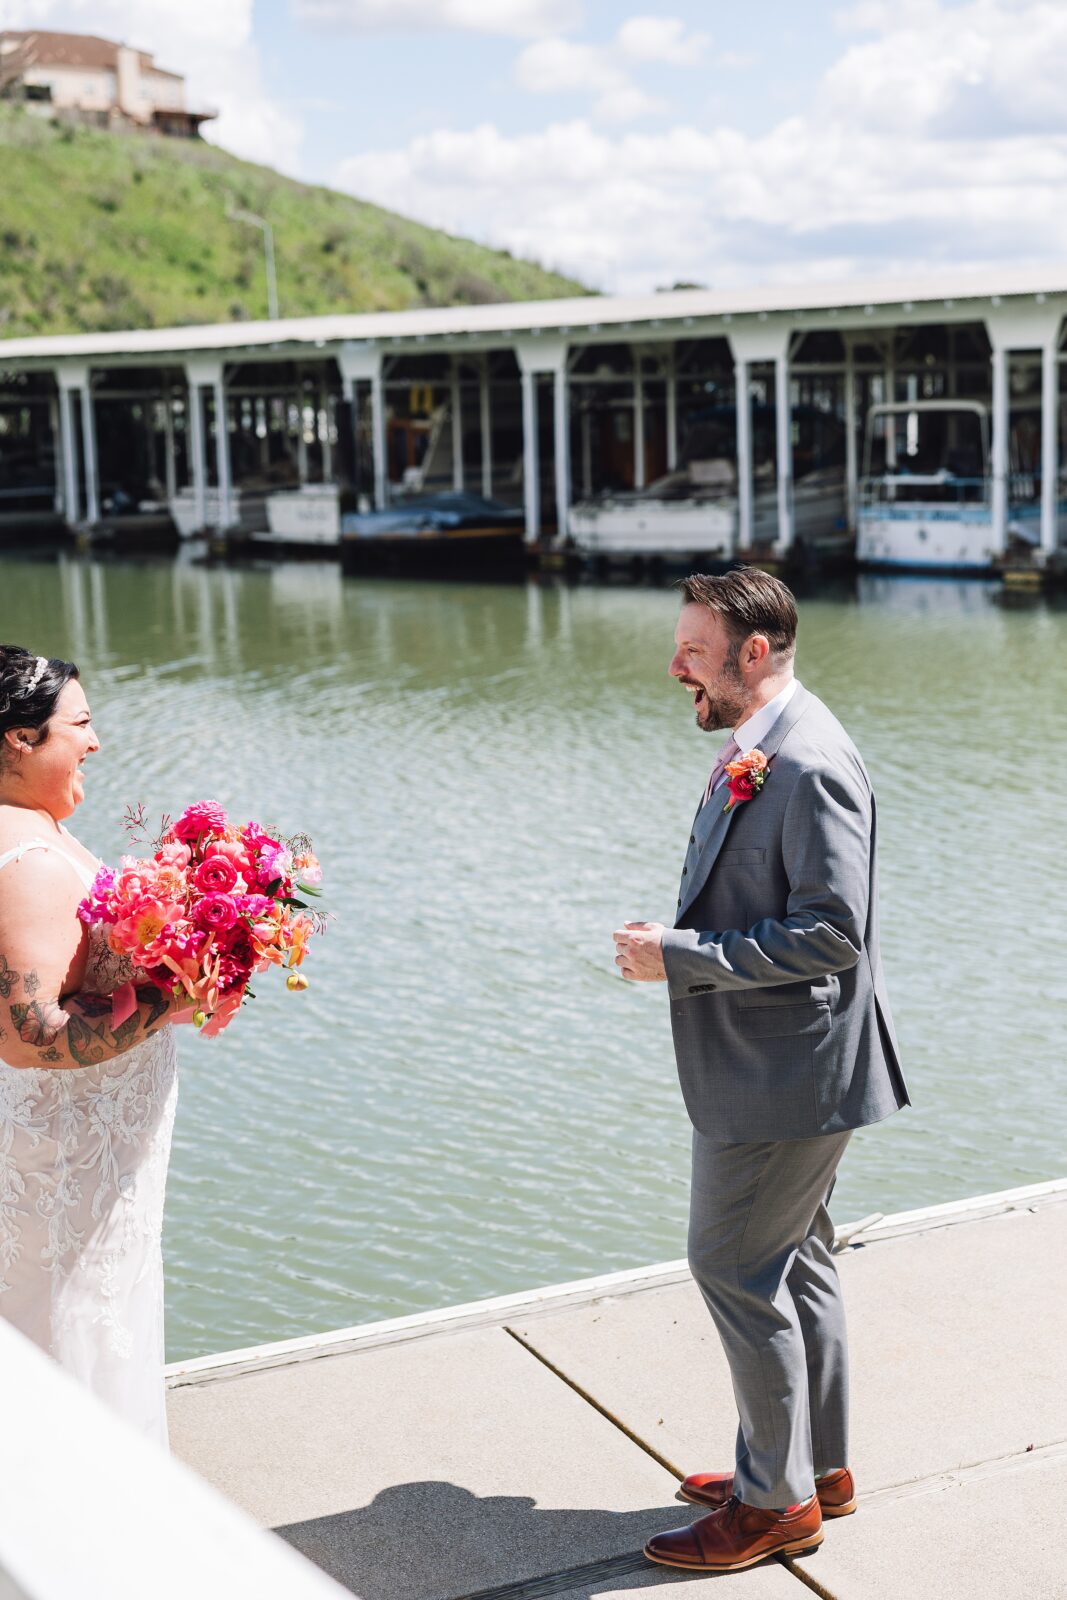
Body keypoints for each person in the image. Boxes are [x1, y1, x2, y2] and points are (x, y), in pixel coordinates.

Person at [613, 568, 909, 1574]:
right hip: (786, 1067)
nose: (674, 664)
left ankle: (770, 1504)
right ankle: (812, 1469)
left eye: (692, 649)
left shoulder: (808, 761)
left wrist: (676, 954)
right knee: (798, 1258)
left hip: (782, 1078)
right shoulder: (763, 744)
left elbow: (830, 935)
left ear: (750, 653)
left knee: (733, 1264)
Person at [0, 646, 186, 1444]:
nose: (96, 742)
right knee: (71, 1325)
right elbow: (32, 1037)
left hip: (91, 1157)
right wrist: (176, 993)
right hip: (68, 1161)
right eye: (79, 724)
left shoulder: (31, 831)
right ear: (18, 740)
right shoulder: (26, 860)